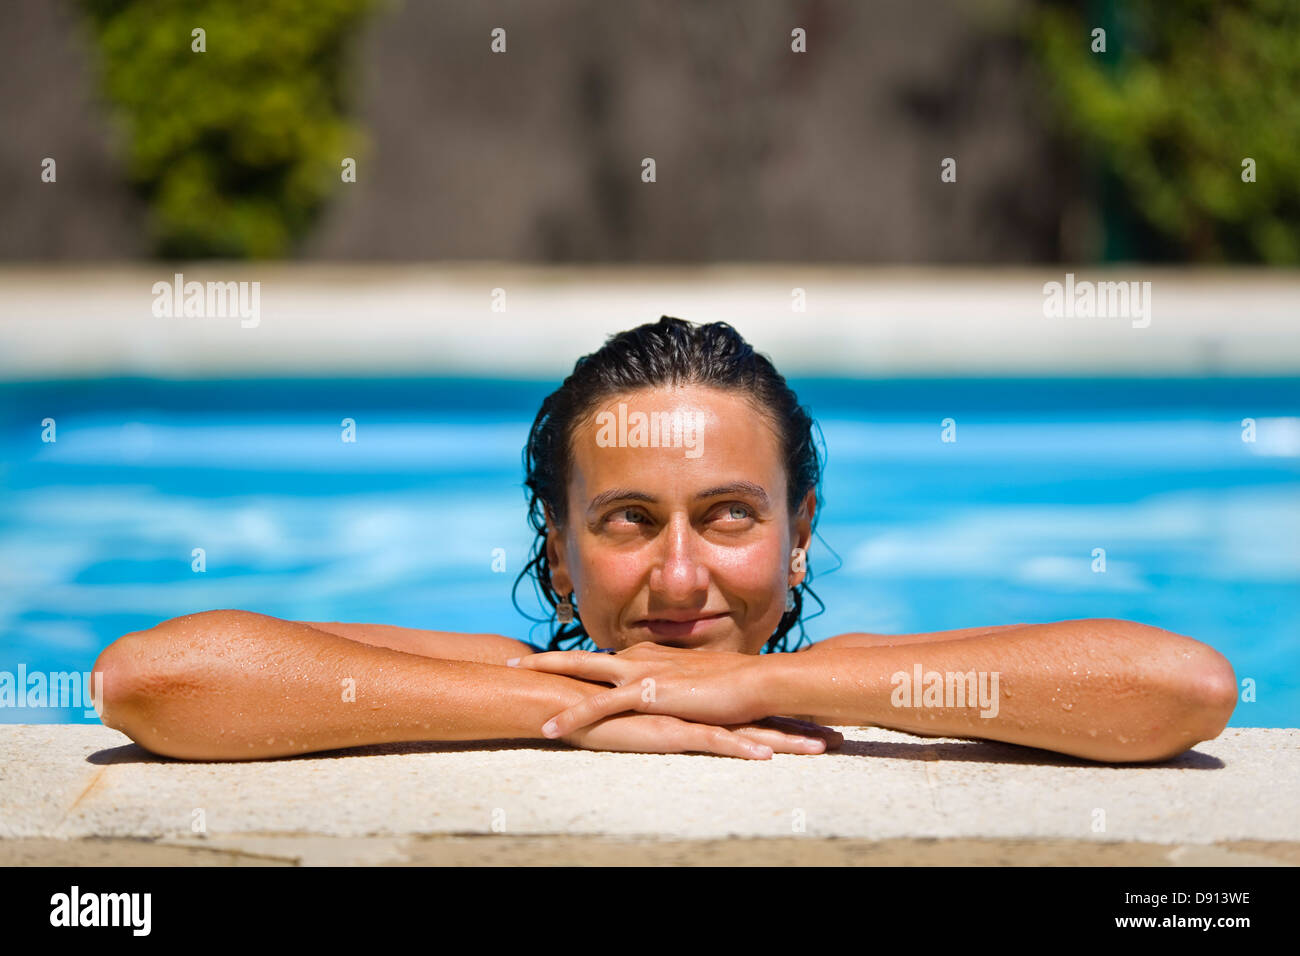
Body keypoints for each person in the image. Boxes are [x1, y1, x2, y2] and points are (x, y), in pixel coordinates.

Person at [93, 316, 1238, 762]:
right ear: (558, 555)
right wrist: (587, 710)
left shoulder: (859, 681)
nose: (680, 576)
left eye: (729, 515)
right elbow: (147, 676)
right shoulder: (513, 679)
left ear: (800, 537)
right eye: (628, 520)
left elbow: (1183, 685)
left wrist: (750, 689)